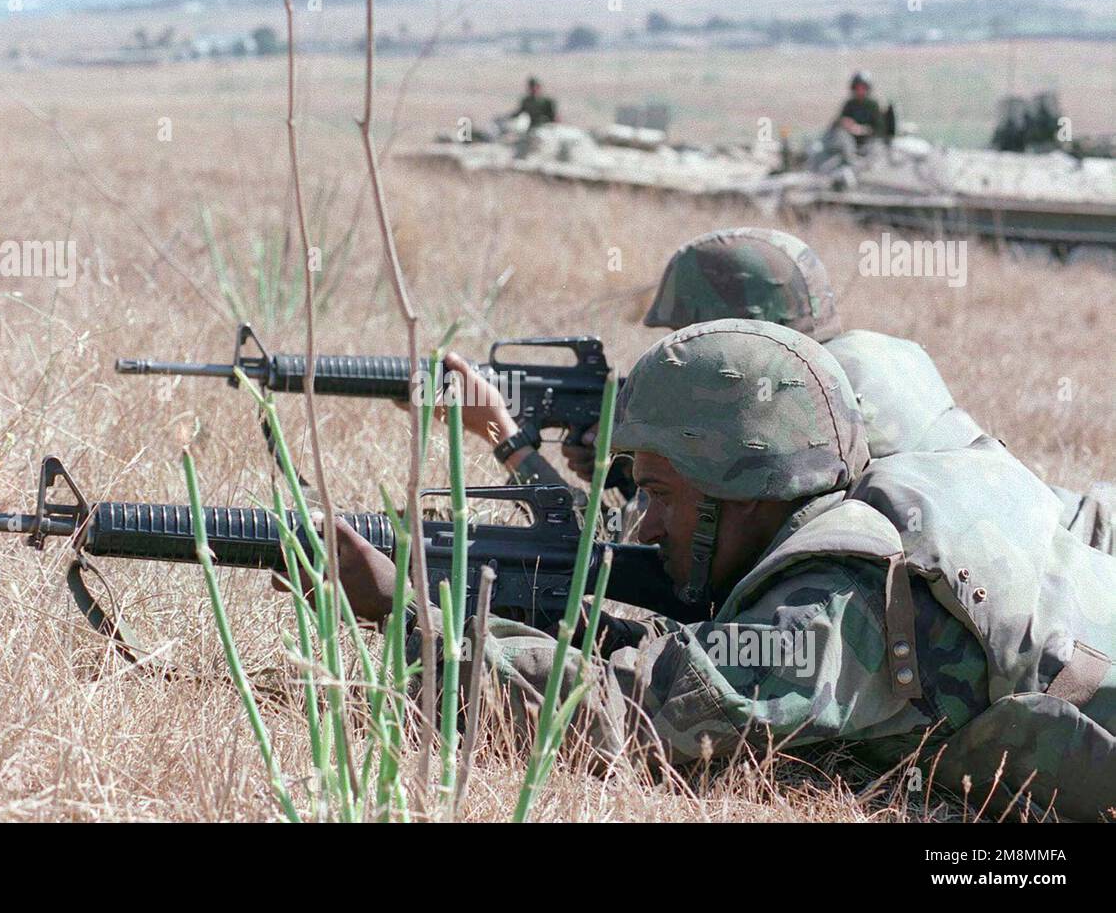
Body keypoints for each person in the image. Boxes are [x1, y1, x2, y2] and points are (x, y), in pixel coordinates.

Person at [325, 319, 1116, 820]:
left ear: (744, 488)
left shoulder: (835, 606)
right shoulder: (908, 489)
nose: (648, 523)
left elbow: (623, 716)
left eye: (664, 494)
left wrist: (405, 614)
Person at [436, 227, 1112, 553]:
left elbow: (619, 554)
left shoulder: (805, 422)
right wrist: (632, 472)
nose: (680, 359)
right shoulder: (869, 361)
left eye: (693, 339)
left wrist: (510, 442)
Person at [835, 70, 884, 148]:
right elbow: (839, 121)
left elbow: (880, 128)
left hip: (870, 143)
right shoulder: (850, 104)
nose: (860, 91)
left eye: (863, 88)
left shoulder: (873, 105)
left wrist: (864, 130)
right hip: (851, 142)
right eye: (858, 88)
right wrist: (846, 123)